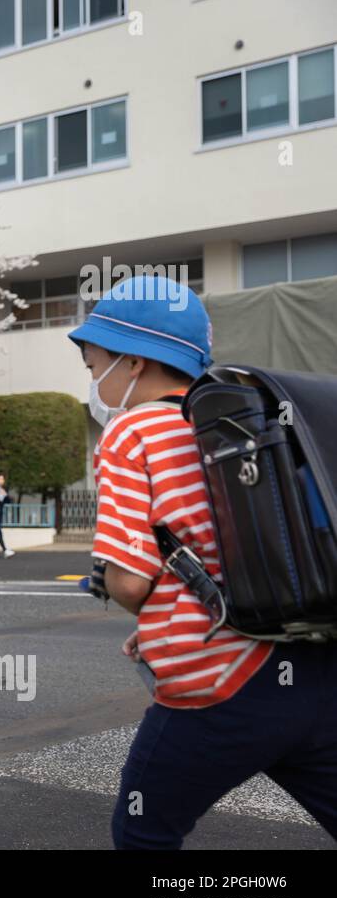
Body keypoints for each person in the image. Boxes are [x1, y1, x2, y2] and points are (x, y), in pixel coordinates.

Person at [70, 273, 337, 849]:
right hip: (312, 668)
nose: (93, 380)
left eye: (94, 365)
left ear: (134, 361)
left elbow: (133, 582)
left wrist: (140, 601)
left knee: (143, 833)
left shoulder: (132, 433)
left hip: (218, 684)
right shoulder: (236, 421)